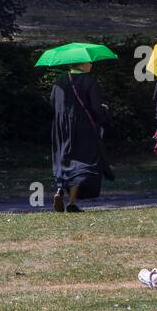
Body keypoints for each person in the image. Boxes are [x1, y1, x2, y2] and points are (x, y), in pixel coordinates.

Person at [49, 61, 113, 213]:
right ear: (81, 64)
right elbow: (96, 107)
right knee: (81, 162)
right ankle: (71, 203)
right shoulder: (89, 81)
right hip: (84, 127)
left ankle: (59, 190)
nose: (91, 64)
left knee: (64, 158)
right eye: (88, 62)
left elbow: (52, 102)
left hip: (61, 127)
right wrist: (105, 111)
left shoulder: (60, 80)